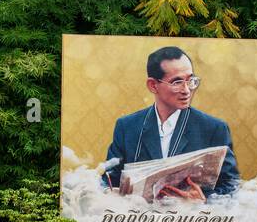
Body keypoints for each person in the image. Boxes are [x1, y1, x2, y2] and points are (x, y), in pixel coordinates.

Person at [102, 46, 240, 200]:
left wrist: (204, 201)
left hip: (191, 221)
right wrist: (109, 192)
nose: (187, 90)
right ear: (153, 85)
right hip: (138, 220)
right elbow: (108, 180)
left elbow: (232, 186)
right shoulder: (127, 127)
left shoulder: (214, 128)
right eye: (177, 82)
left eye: (190, 80)